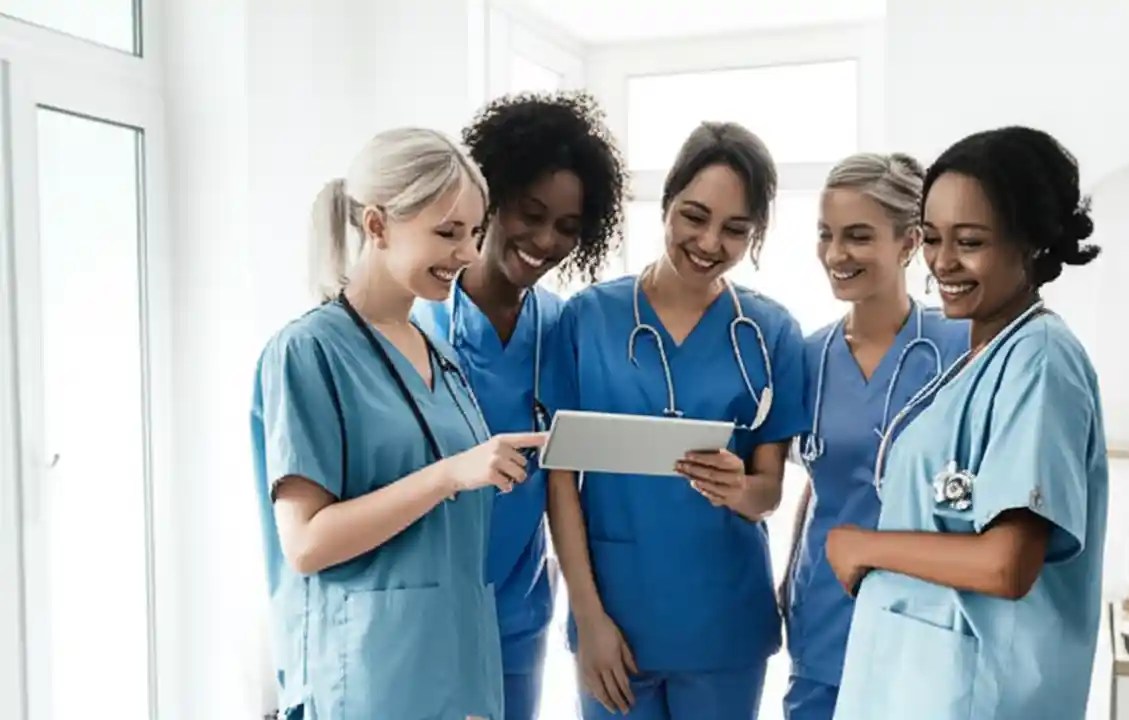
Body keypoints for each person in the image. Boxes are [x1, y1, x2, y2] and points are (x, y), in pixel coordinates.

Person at [250, 128, 546, 720]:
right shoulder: (307, 352)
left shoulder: (440, 357)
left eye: (473, 233)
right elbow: (306, 544)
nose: (467, 253)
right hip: (365, 678)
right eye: (447, 232)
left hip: (457, 677)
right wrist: (449, 476)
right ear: (377, 225)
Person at [826, 126, 1106, 720]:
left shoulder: (1042, 361)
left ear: (1029, 243)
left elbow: (1007, 563)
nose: (943, 261)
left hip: (974, 695)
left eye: (970, 241)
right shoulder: (982, 358)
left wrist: (863, 547)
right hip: (919, 685)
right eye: (931, 237)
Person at [543, 121, 808, 720]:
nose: (710, 241)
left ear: (755, 235)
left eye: (735, 229)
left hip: (723, 624)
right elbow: (560, 477)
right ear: (665, 204)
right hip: (614, 619)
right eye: (694, 216)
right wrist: (588, 618)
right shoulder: (587, 320)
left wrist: (740, 489)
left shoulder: (770, 333)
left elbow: (769, 490)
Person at [411, 90, 627, 720]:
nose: (545, 241)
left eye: (567, 227)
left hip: (519, 610)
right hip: (427, 610)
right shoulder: (419, 325)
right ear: (492, 199)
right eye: (529, 214)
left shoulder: (558, 328)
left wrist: (585, 613)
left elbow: (565, 475)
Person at [781, 153, 969, 720]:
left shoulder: (959, 349)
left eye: (858, 236)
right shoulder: (807, 356)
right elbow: (820, 482)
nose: (836, 254)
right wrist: (789, 582)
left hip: (924, 616)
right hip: (823, 612)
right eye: (826, 235)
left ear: (910, 243)